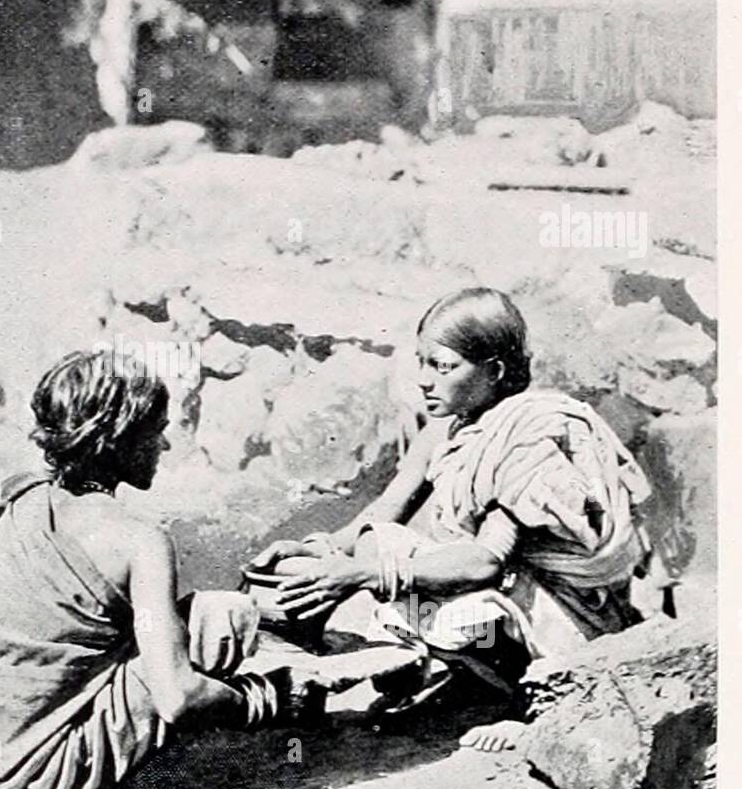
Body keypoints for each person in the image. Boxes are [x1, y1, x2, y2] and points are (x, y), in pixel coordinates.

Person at [0, 350, 325, 789]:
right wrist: (265, 697)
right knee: (212, 625)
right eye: (155, 432)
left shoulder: (16, 495)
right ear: (117, 439)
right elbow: (177, 698)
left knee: (189, 620)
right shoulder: (139, 540)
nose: (165, 446)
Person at [248, 288, 653, 752]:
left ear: (494, 371)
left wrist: (363, 575)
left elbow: (486, 563)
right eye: (421, 363)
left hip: (557, 612)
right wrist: (316, 548)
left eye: (442, 366)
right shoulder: (448, 428)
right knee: (377, 544)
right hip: (502, 594)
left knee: (460, 615)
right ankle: (474, 684)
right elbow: (382, 514)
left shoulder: (524, 437)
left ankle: (529, 708)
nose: (423, 380)